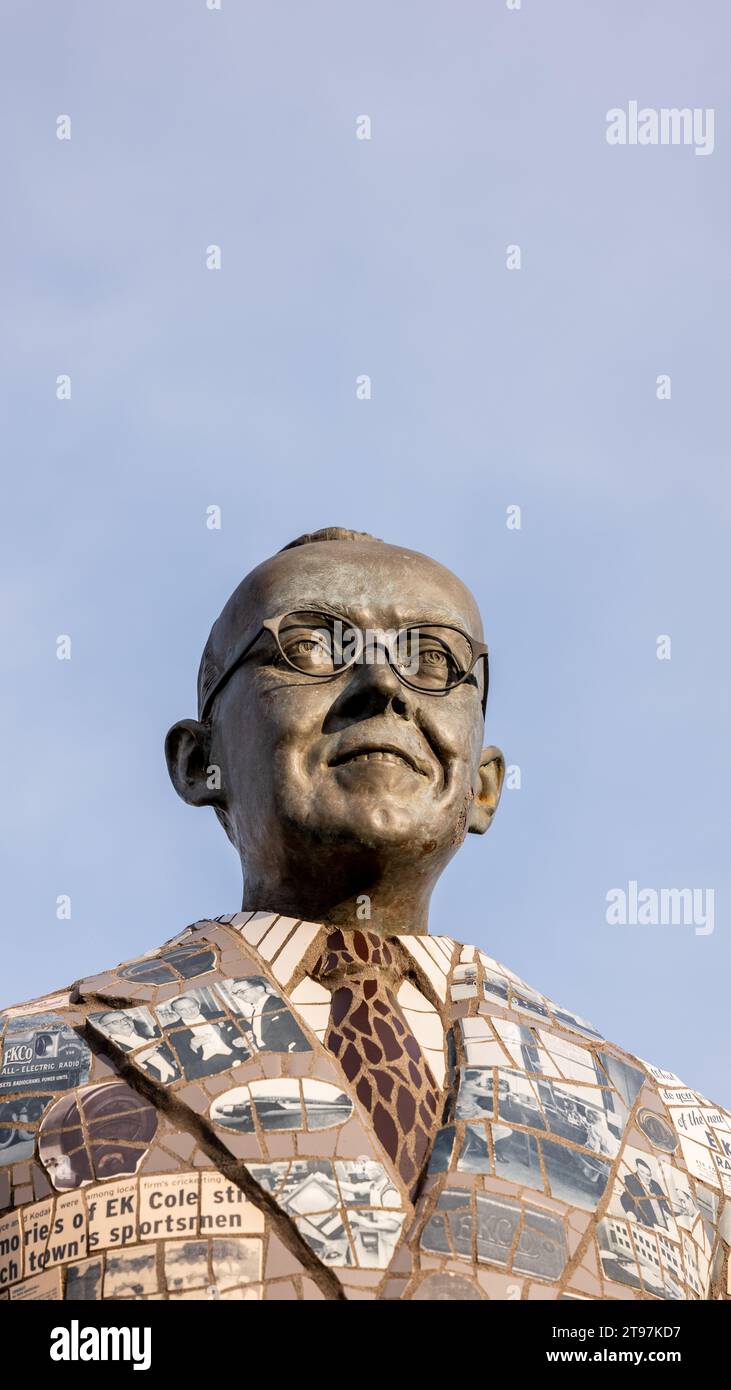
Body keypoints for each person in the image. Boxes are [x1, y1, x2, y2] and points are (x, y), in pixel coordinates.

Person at [2, 527, 728, 1302]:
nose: (384, 686)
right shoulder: (22, 1069)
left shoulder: (692, 1148)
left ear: (482, 785)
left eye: (433, 660)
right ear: (196, 761)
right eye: (311, 647)